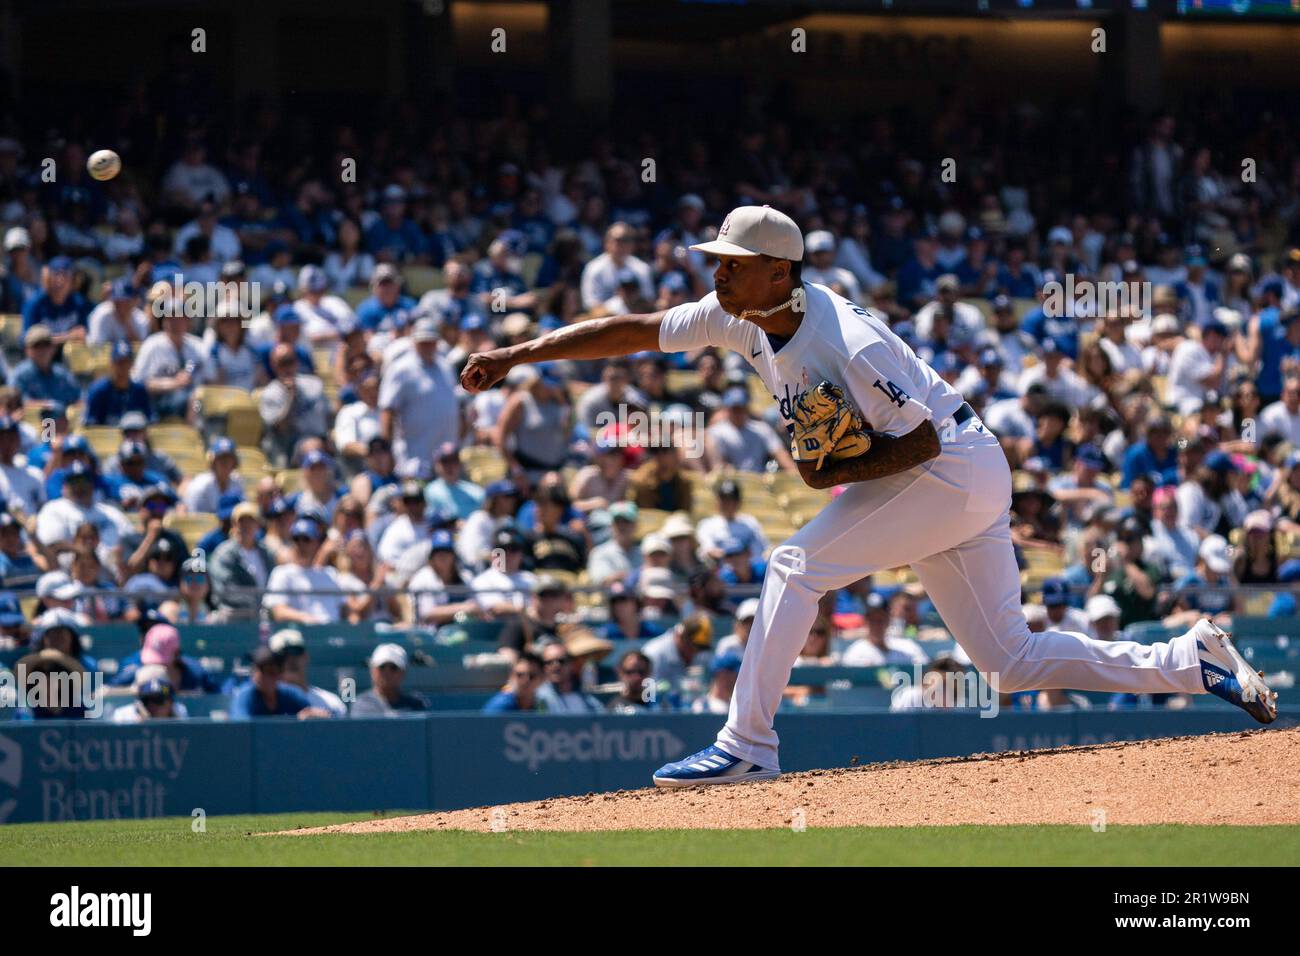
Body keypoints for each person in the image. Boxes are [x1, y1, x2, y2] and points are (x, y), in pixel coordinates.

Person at [460, 204, 1277, 789]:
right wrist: (519, 351)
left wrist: (828, 474)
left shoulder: (843, 339)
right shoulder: (741, 313)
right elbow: (634, 329)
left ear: (779, 270)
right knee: (1008, 662)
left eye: (732, 262)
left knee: (792, 563)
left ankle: (747, 742)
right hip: (960, 473)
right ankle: (1187, 658)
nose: (716, 272)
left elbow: (918, 438)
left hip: (948, 465)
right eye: (718, 260)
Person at [262, 517, 348, 624]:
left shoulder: (330, 573)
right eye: (296, 539)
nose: (301, 544)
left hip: (333, 635)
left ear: (316, 543)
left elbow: (344, 609)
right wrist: (305, 618)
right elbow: (278, 612)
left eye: (306, 539)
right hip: (300, 634)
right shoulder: (281, 573)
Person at [230, 646, 330, 719]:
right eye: (256, 670)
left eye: (269, 672)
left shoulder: (291, 693)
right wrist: (295, 720)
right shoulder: (245, 696)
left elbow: (313, 714)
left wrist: (311, 716)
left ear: (279, 674)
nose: (260, 676)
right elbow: (242, 728)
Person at [269, 628, 347, 717]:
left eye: (295, 652)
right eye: (282, 655)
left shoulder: (332, 703)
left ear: (306, 657)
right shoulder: (263, 703)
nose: (290, 660)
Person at [350, 643, 429, 716]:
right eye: (382, 667)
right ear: (372, 670)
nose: (387, 672)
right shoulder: (362, 704)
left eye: (393, 668)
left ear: (404, 672)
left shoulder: (416, 703)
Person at [111, 666, 189, 722]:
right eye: (146, 700)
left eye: (158, 700)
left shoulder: (179, 712)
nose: (152, 706)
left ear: (170, 701)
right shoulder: (123, 717)